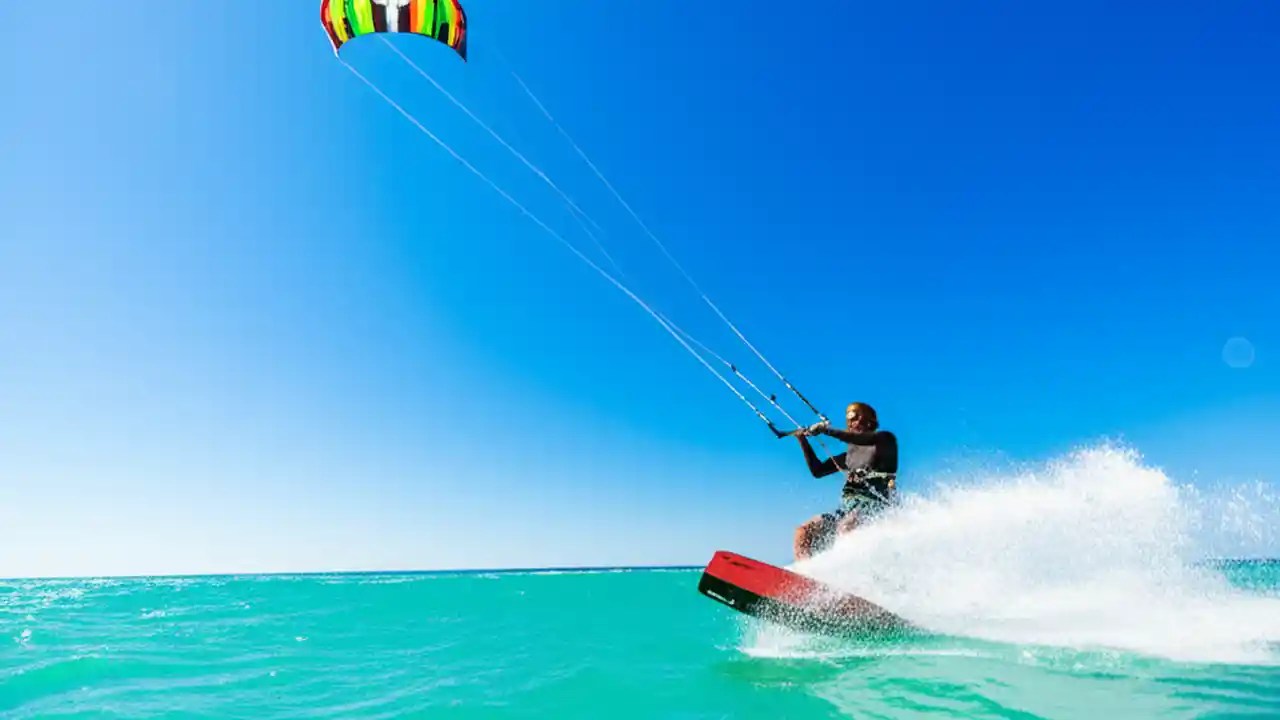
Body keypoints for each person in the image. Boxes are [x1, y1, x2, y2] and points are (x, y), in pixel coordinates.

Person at [792, 402, 898, 561]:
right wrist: (802, 440)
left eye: (856, 420)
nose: (852, 425)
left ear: (869, 423)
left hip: (876, 509)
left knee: (846, 527)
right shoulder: (849, 457)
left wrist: (825, 430)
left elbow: (857, 438)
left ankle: (844, 575)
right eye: (850, 421)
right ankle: (805, 575)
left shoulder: (885, 440)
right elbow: (818, 471)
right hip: (847, 510)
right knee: (804, 531)